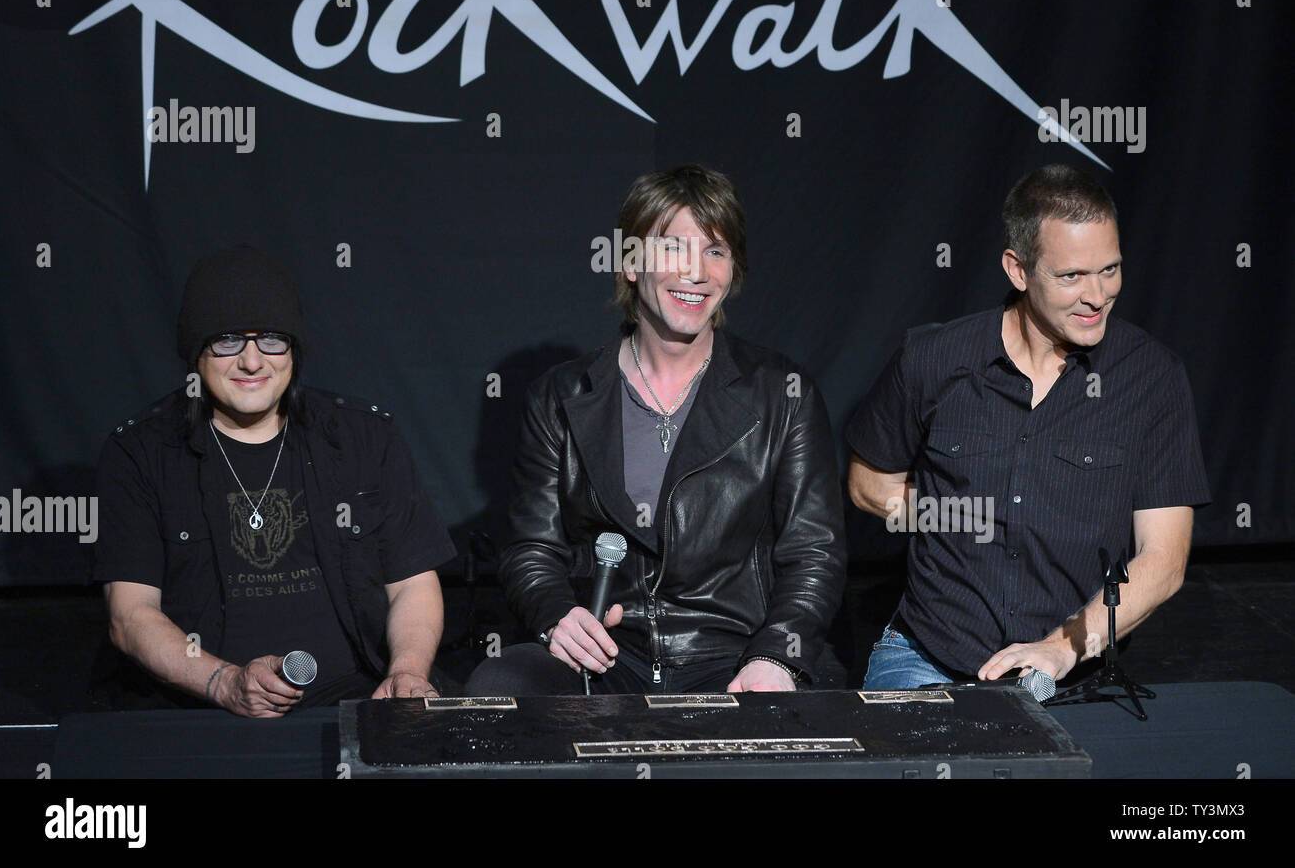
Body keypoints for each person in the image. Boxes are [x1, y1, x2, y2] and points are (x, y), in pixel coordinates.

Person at [467, 164, 846, 695]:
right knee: (501, 682)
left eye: (716, 251)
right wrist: (557, 616)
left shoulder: (782, 391)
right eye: (673, 249)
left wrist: (777, 656)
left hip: (737, 653)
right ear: (628, 263)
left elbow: (815, 552)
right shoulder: (560, 396)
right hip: (607, 656)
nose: (697, 272)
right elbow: (532, 548)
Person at [847, 164, 1210, 690]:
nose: (1097, 295)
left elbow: (1165, 558)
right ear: (1018, 271)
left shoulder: (1151, 378)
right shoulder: (934, 358)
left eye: (1109, 270)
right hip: (927, 657)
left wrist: (1060, 649)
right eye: (1071, 276)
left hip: (1073, 673)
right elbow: (868, 486)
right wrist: (958, 511)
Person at [92, 245, 456, 716]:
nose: (251, 361)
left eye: (270, 339)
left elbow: (412, 584)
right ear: (195, 351)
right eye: (227, 341)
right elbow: (131, 614)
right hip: (200, 705)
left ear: (293, 348)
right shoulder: (140, 452)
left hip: (358, 694)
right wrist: (224, 684)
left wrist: (406, 671)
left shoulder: (363, 437)